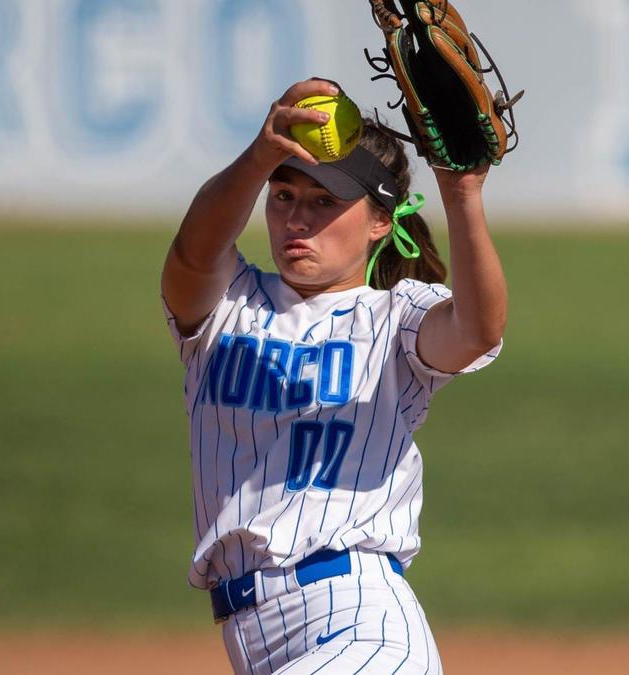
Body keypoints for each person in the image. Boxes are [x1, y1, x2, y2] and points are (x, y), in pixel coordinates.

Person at [160, 78, 508, 674]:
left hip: (360, 623)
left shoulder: (395, 319)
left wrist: (463, 193)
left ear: (379, 221)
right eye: (285, 195)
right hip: (255, 638)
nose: (298, 218)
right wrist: (259, 155)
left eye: (326, 202)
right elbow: (192, 254)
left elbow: (477, 330)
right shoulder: (228, 306)